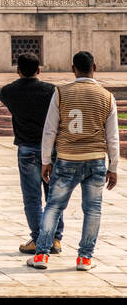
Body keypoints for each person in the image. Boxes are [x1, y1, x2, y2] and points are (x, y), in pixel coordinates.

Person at [27, 51, 119, 271]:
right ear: (94, 67)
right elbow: (112, 137)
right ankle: (85, 258)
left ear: (73, 69)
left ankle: (42, 255)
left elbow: (49, 130)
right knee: (93, 210)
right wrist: (113, 167)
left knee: (54, 206)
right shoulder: (106, 96)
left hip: (67, 158)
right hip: (95, 159)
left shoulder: (61, 92)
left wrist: (46, 160)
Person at [0, 53, 63, 254]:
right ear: (39, 70)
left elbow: (8, 94)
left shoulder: (8, 92)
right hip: (49, 147)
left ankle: (38, 238)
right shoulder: (51, 91)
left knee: (32, 197)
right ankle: (54, 238)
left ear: (18, 70)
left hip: (27, 148)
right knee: (53, 195)